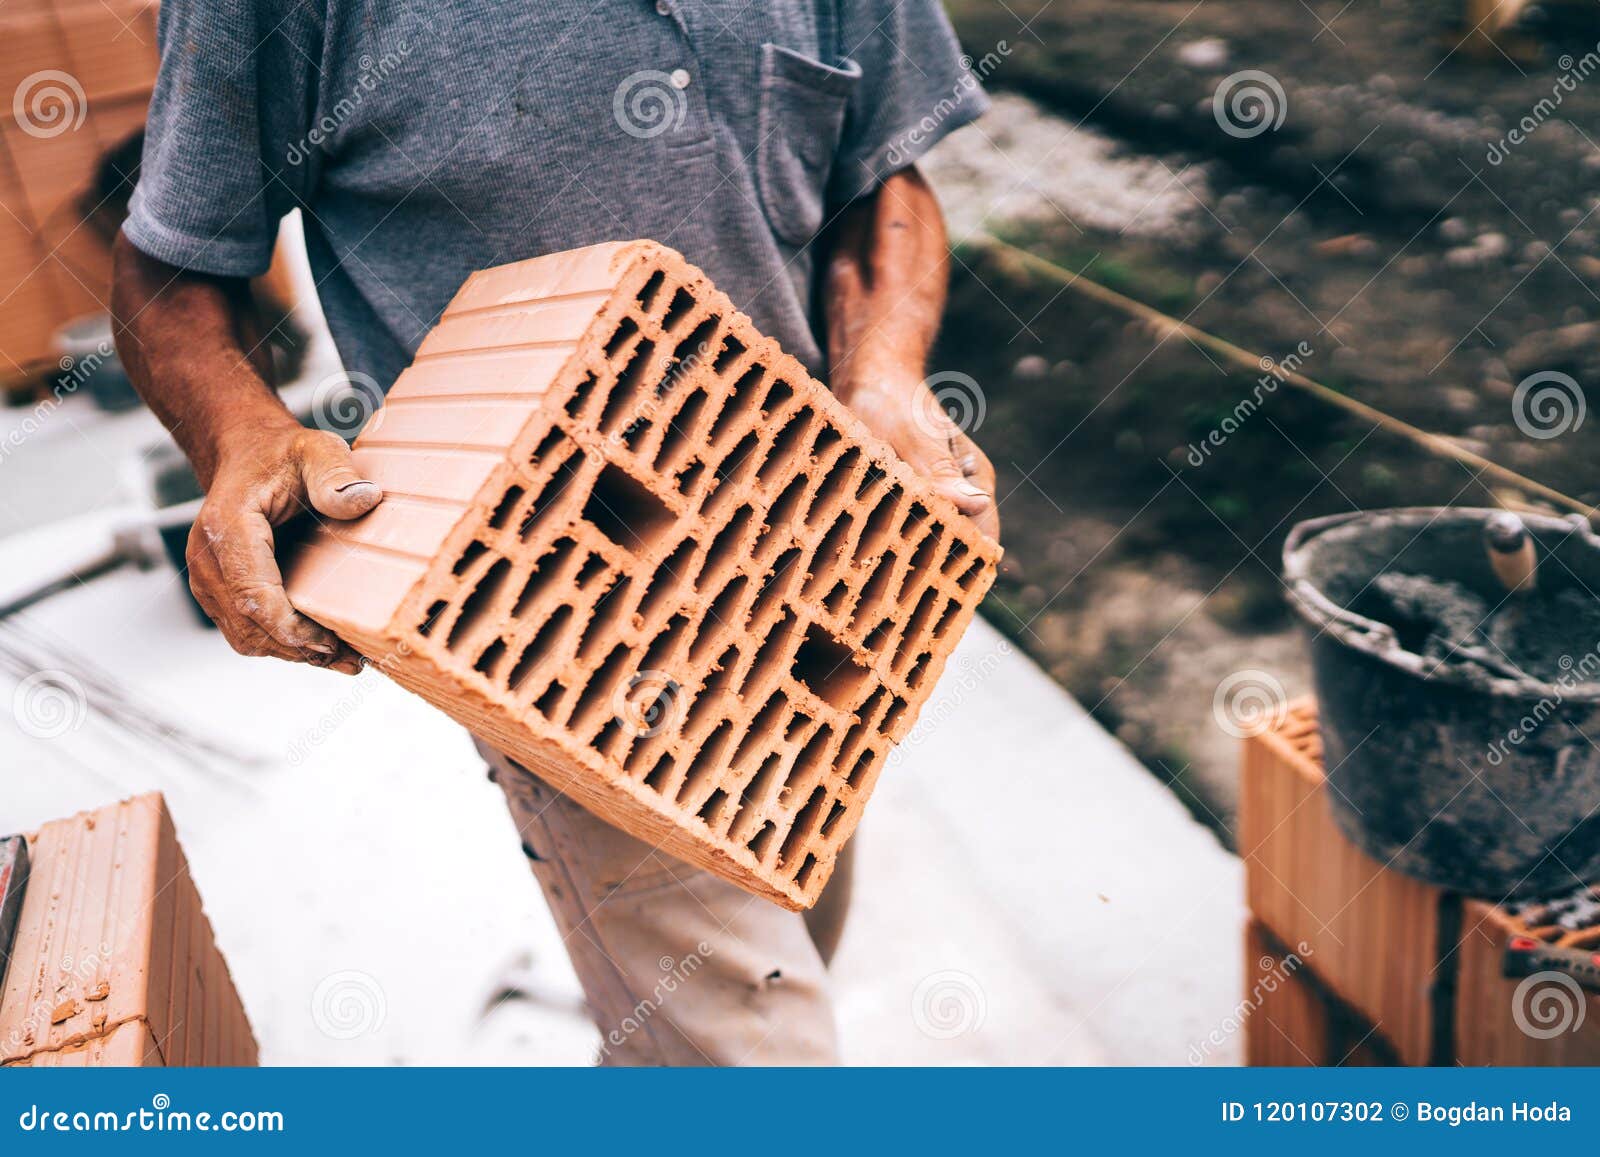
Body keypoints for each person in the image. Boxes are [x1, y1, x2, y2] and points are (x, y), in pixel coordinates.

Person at [112, 0, 999, 1065]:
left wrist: (883, 373)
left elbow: (880, 178)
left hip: (804, 559)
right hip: (559, 633)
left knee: (791, 907)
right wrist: (242, 435)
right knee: (758, 1055)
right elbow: (170, 267)